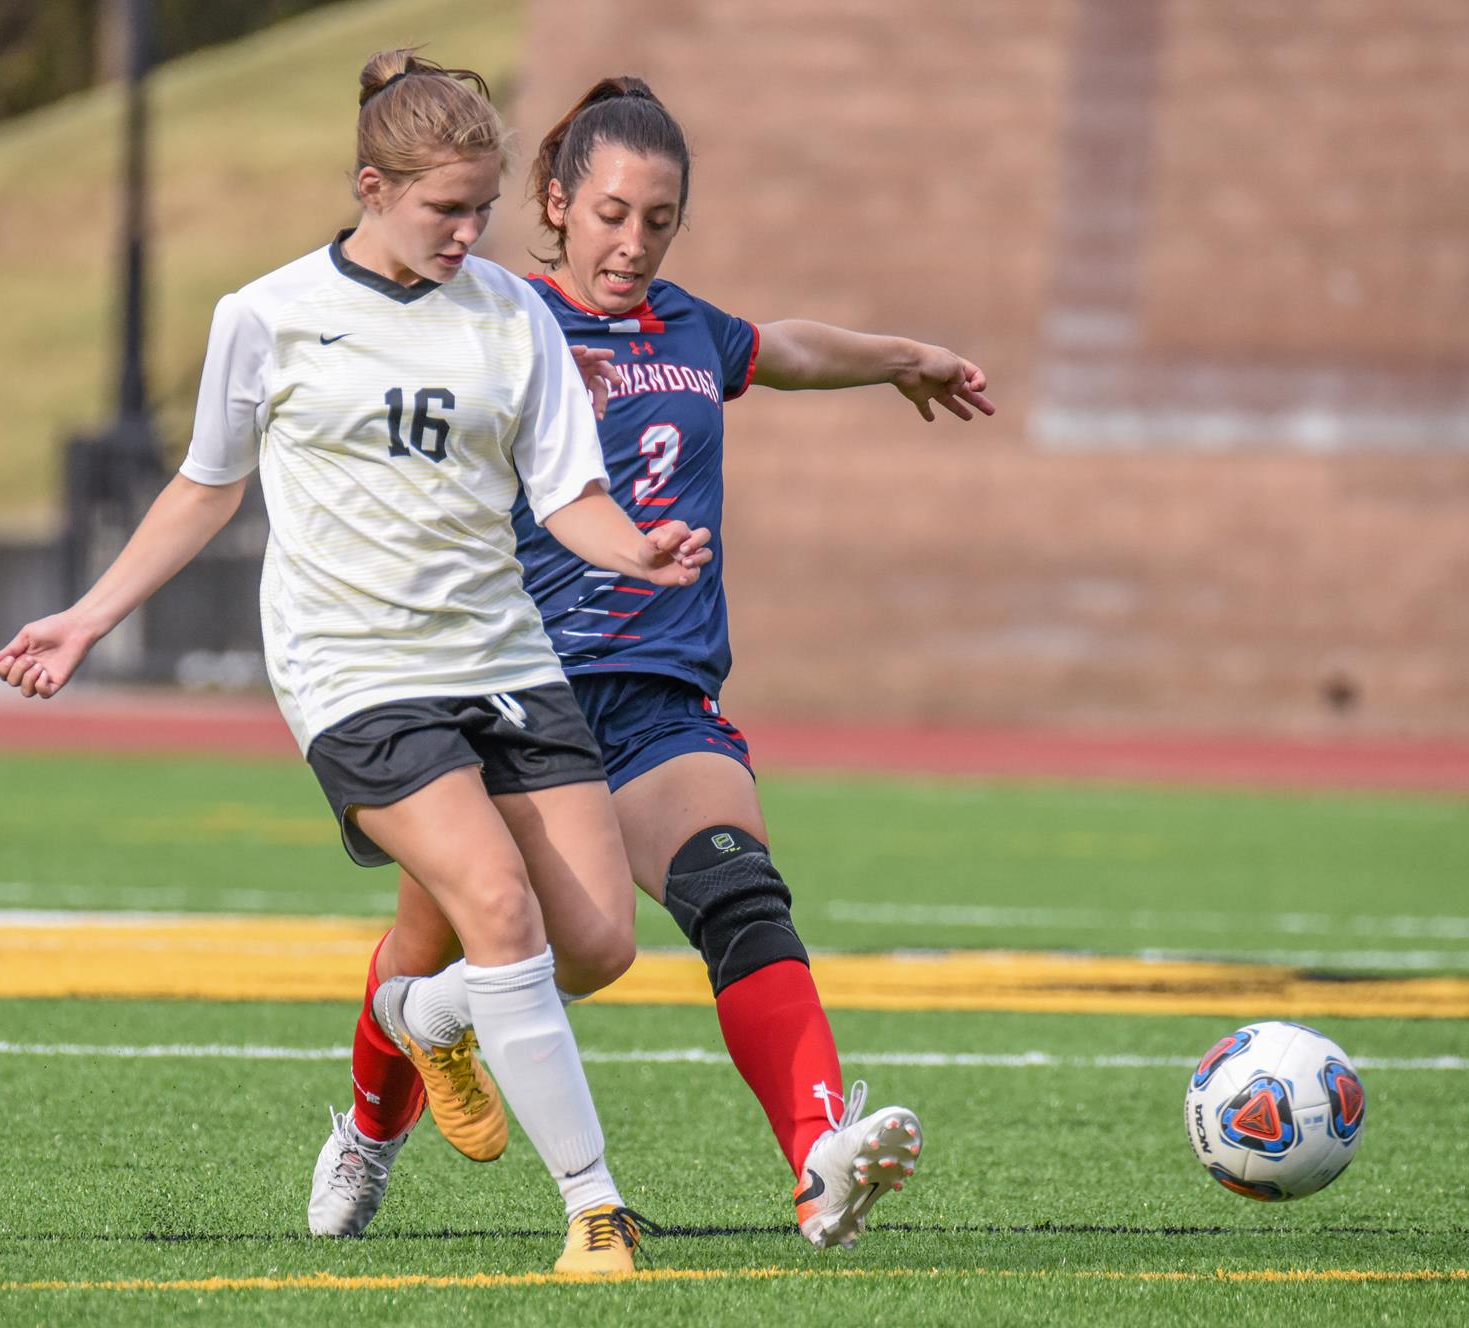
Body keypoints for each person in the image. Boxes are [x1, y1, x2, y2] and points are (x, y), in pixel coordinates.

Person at [0, 50, 716, 1277]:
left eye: (483, 208)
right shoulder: (265, 315)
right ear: (371, 186)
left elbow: (567, 494)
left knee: (595, 945)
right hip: (354, 671)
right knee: (494, 902)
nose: (468, 231)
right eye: (444, 208)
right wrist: (87, 615)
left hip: (501, 654)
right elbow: (201, 490)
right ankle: (594, 1207)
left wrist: (635, 550)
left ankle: (414, 1012)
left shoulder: (514, 311)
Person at [343, 76, 994, 1251]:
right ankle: (368, 1124)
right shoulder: (491, 318)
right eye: (608, 214)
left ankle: (818, 1151)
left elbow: (782, 348)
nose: (631, 243)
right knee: (433, 951)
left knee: (740, 894)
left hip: (656, 706)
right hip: (509, 699)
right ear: (552, 203)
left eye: (657, 219)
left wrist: (900, 355)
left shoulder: (690, 328)